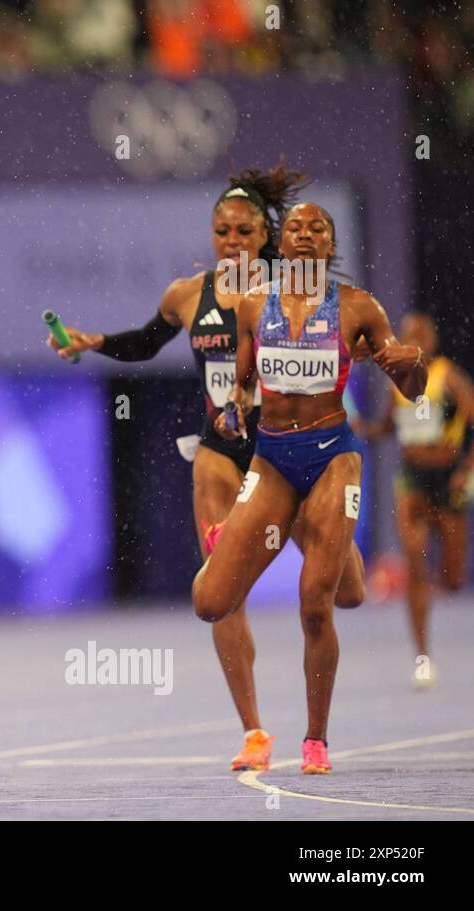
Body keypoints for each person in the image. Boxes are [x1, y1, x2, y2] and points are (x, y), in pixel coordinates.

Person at [49, 167, 365, 772]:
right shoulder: (186, 295)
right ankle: (253, 731)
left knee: (345, 593)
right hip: (220, 451)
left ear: (266, 234)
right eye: (221, 230)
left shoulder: (287, 292)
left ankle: (338, 551)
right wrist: (92, 342)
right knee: (221, 589)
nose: (231, 240)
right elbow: (146, 342)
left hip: (285, 448)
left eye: (244, 230)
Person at [193, 202, 427, 775]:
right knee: (210, 601)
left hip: (332, 458)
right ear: (281, 241)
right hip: (272, 459)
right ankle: (335, 544)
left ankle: (315, 740)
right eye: (294, 228)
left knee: (318, 605)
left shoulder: (357, 307)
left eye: (315, 229)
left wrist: (411, 363)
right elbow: (244, 378)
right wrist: (234, 411)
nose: (303, 236)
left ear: (329, 244)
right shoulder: (254, 305)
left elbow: (413, 391)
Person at [356, 312, 474, 687]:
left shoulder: (448, 377)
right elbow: (388, 428)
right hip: (412, 481)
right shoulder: (398, 385)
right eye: (408, 336)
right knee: (414, 558)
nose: (415, 341)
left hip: (448, 480)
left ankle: (432, 586)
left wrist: (465, 471)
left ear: (433, 342)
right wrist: (366, 428)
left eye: (421, 335)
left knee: (452, 580)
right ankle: (422, 657)